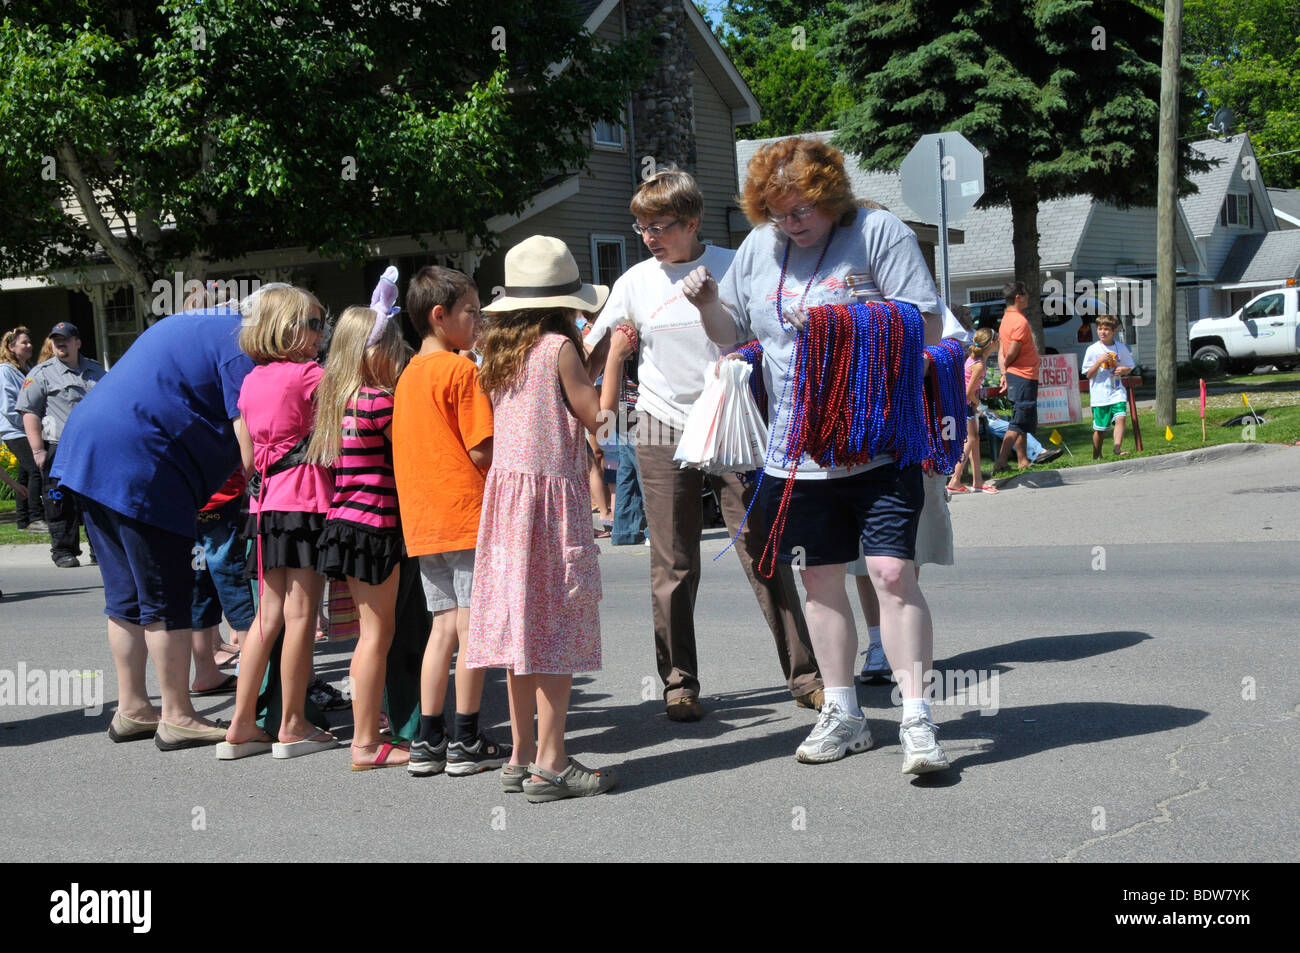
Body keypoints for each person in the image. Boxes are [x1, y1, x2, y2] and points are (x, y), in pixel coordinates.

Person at [684, 135, 950, 774]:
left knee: (890, 573)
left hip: (879, 440)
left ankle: (916, 719)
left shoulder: (879, 232)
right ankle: (844, 713)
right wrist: (708, 306)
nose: (790, 223)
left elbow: (931, 324)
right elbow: (736, 338)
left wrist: (848, 322)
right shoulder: (759, 249)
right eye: (777, 211)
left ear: (830, 195)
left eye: (801, 209)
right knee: (820, 579)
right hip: (795, 451)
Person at [584, 167, 823, 721]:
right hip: (660, 428)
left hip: (732, 422)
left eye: (659, 225)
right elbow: (592, 354)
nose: (648, 236)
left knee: (763, 550)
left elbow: (773, 337)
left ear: (692, 222)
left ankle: (806, 675)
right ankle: (678, 682)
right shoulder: (635, 282)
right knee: (673, 562)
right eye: (641, 225)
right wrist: (596, 351)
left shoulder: (735, 264)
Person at [53, 304, 255, 749]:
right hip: (142, 464)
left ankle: (133, 708)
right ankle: (178, 714)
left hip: (89, 451)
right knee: (166, 598)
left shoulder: (197, 324)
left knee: (125, 597)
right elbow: (250, 433)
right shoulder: (242, 343)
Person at [466, 235, 616, 802]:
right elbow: (597, 419)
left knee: (518, 630)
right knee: (556, 632)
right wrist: (616, 360)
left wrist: (592, 358)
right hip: (550, 505)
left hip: (506, 506)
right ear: (564, 301)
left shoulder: (497, 350)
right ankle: (553, 763)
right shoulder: (558, 346)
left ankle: (521, 753)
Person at [392, 265, 510, 777]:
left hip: (422, 520)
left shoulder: (407, 375)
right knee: (471, 630)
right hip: (466, 514)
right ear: (440, 316)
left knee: (442, 629)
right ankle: (465, 739)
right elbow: (482, 450)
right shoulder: (463, 372)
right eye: (471, 311)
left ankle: (427, 738)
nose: (479, 320)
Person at [219, 284, 338, 760]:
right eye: (313, 324)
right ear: (288, 329)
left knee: (266, 618)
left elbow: (247, 457)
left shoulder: (251, 381)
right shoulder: (311, 375)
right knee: (302, 616)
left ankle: (241, 722)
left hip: (264, 505)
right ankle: (292, 722)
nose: (320, 333)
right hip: (305, 501)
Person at [309, 296, 413, 770]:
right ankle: (366, 743)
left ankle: (371, 726)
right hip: (376, 526)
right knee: (377, 635)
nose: (401, 356)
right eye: (394, 347)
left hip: (344, 524)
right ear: (372, 354)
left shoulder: (337, 400)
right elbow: (411, 458)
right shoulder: (379, 401)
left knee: (369, 635)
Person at [16, 322, 106, 567]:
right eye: (55, 340)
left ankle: (101, 551)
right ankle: (64, 551)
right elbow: (29, 412)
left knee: (97, 501)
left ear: (77, 342)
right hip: (60, 448)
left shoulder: (96, 371)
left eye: (65, 339)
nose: (60, 343)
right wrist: (37, 450)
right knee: (59, 502)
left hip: (93, 449)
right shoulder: (41, 373)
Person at [991, 281, 1041, 473]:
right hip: (1023, 376)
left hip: (1017, 375)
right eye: (1026, 295)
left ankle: (1022, 460)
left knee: (1023, 420)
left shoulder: (1006, 318)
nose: (1028, 298)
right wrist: (1009, 367)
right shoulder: (1019, 321)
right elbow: (1011, 352)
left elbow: (1002, 351)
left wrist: (1004, 372)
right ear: (1018, 297)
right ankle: (1001, 461)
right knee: (1018, 421)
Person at [1, 326, 44, 532]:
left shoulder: (27, 370)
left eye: (29, 342)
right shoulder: (5, 371)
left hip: (27, 429)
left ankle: (23, 520)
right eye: (24, 342)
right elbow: (8, 407)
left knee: (25, 475)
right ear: (11, 346)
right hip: (14, 430)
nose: (29, 346)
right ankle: (36, 518)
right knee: (36, 470)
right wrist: (29, 423)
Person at [947, 327, 1000, 494]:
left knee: (975, 439)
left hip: (965, 403)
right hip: (964, 403)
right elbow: (968, 391)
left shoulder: (975, 359)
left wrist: (975, 403)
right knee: (970, 440)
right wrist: (980, 405)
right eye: (998, 340)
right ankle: (955, 480)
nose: (999, 342)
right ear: (992, 343)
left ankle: (978, 481)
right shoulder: (978, 365)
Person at [1082, 313, 1135, 459]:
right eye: (1100, 329)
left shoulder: (1120, 347)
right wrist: (1099, 362)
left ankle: (1117, 449)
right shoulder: (1092, 350)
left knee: (1121, 417)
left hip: (1117, 390)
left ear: (1114, 331)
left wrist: (1123, 369)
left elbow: (1129, 366)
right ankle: (1097, 454)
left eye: (1106, 329)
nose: (1102, 332)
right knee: (1101, 430)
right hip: (1100, 395)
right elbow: (1088, 374)